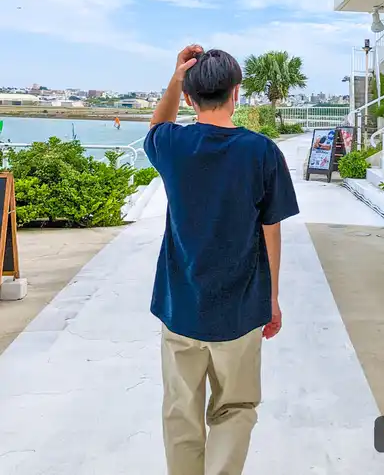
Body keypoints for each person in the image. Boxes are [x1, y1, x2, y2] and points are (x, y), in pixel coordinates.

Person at [144, 45, 299, 475]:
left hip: (180, 306)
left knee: (180, 410)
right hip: (240, 310)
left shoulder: (171, 145)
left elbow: (157, 125)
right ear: (237, 92)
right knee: (236, 408)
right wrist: (272, 298)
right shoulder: (261, 151)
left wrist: (176, 75)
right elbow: (271, 230)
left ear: (189, 97)